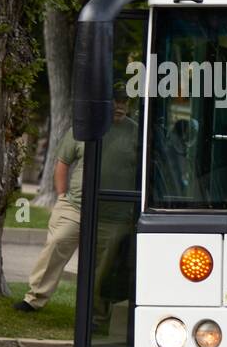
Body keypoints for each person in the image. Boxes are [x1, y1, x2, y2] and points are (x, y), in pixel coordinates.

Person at [15, 98, 137, 312]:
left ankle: (95, 312)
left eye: (124, 102)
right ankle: (33, 299)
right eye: (115, 101)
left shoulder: (136, 132)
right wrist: (62, 195)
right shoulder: (83, 127)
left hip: (113, 216)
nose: (120, 106)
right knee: (57, 243)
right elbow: (63, 163)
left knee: (102, 268)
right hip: (75, 207)